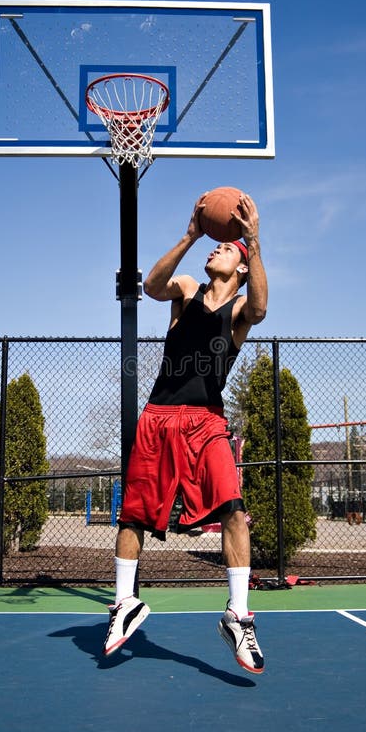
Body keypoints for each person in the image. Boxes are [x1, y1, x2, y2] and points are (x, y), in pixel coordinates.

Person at [103, 191, 268, 674]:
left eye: (227, 248)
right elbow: (152, 286)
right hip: (158, 416)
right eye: (221, 245)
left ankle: (238, 614)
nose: (219, 250)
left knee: (234, 510)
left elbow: (259, 309)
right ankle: (125, 604)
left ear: (240, 267)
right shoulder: (188, 289)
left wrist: (252, 243)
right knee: (131, 517)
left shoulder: (238, 310)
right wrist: (191, 235)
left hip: (206, 422)